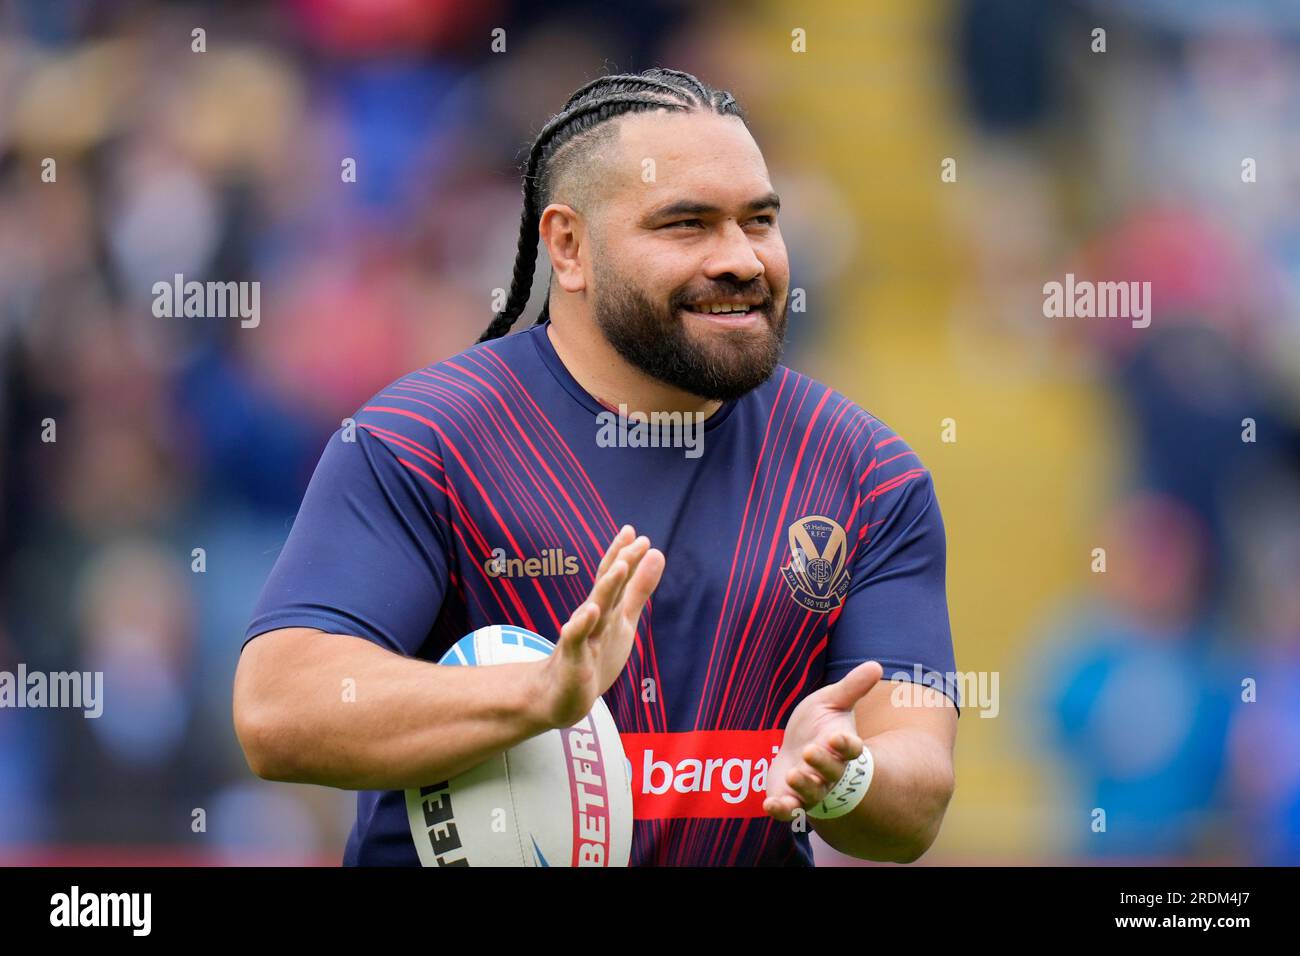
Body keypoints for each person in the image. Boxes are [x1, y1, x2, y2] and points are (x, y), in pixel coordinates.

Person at [233, 67, 959, 866]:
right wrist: (539, 697)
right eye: (687, 226)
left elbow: (917, 788)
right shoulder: (422, 442)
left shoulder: (868, 473)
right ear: (569, 247)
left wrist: (845, 778)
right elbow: (279, 710)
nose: (741, 259)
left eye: (759, 221)